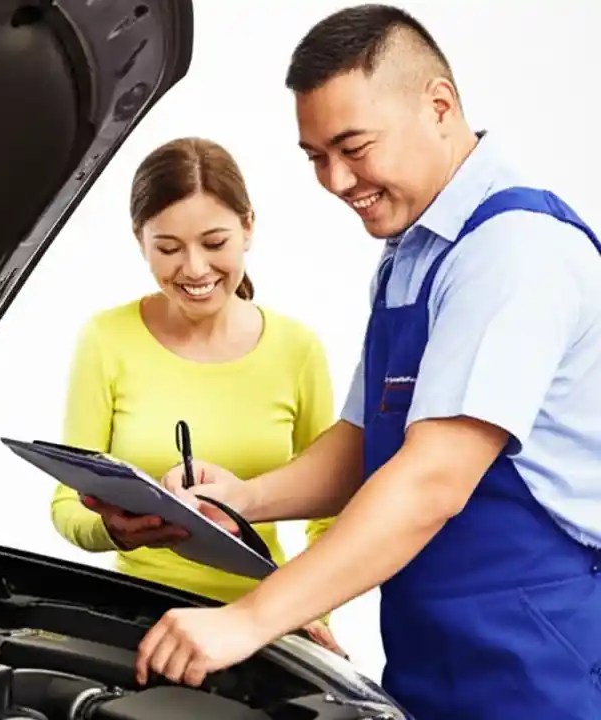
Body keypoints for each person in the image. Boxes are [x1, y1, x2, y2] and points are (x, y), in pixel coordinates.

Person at [132, 5, 601, 719]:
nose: (337, 180)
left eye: (354, 147)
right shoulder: (412, 253)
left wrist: (249, 618)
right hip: (434, 656)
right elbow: (365, 444)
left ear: (438, 105)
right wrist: (240, 501)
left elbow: (431, 480)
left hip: (541, 663)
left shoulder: (514, 253)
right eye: (316, 156)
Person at [50, 136, 344, 655]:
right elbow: (66, 505)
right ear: (140, 239)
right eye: (168, 248)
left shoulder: (297, 349)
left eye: (214, 243)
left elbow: (332, 513)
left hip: (261, 625)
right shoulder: (106, 339)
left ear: (248, 227)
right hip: (135, 615)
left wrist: (308, 611)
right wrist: (115, 531)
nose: (193, 269)